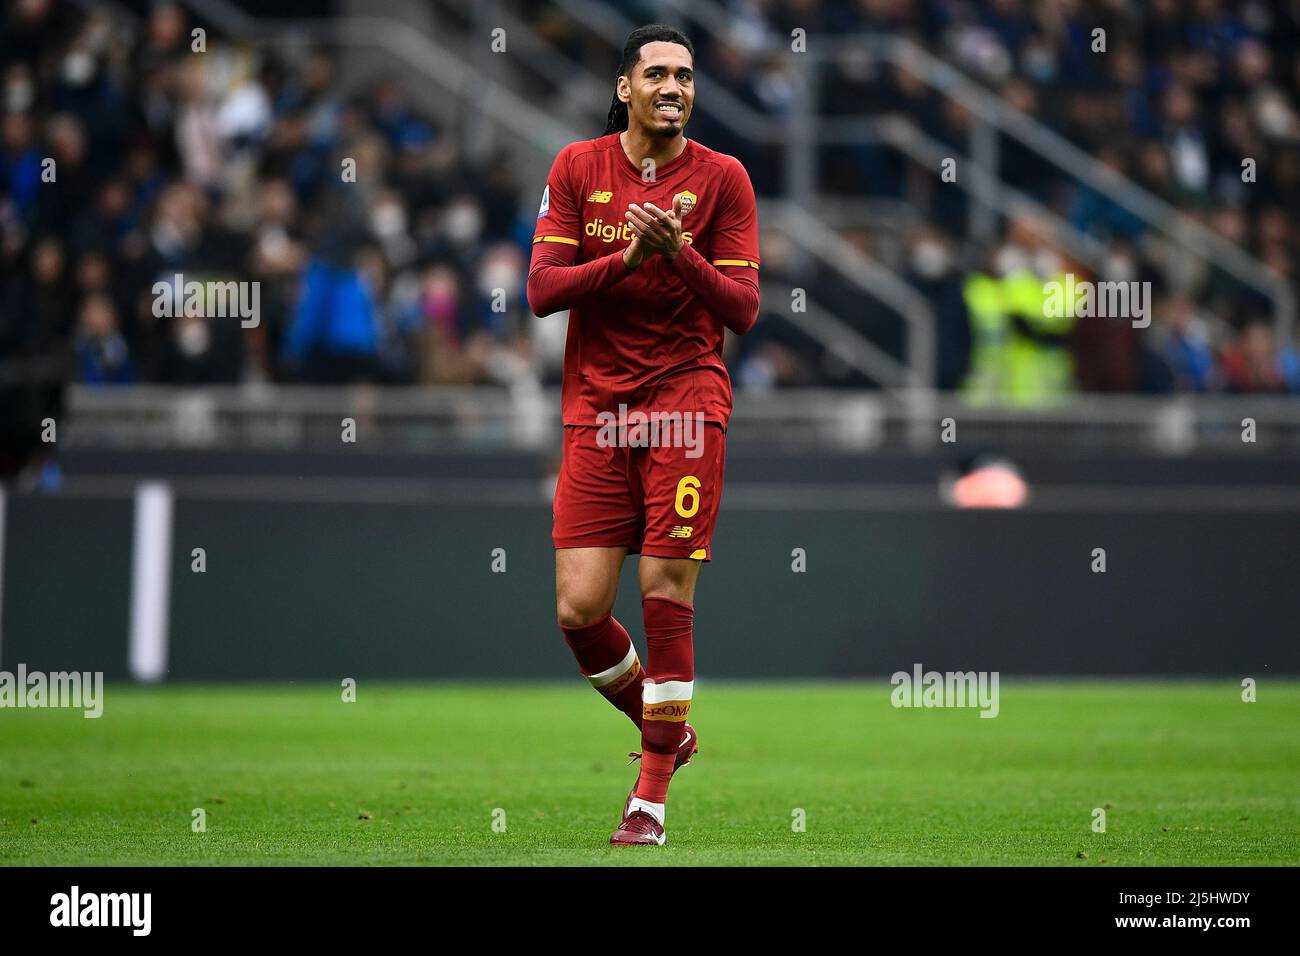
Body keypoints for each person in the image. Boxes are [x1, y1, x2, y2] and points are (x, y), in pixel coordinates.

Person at [526, 24, 760, 846]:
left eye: (686, 76)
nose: (674, 86)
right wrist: (627, 261)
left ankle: (649, 796)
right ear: (624, 87)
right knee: (579, 609)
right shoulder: (576, 168)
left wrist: (680, 254)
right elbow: (544, 290)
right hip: (597, 411)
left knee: (665, 588)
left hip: (687, 403)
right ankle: (670, 732)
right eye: (657, 73)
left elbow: (741, 309)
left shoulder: (725, 179)